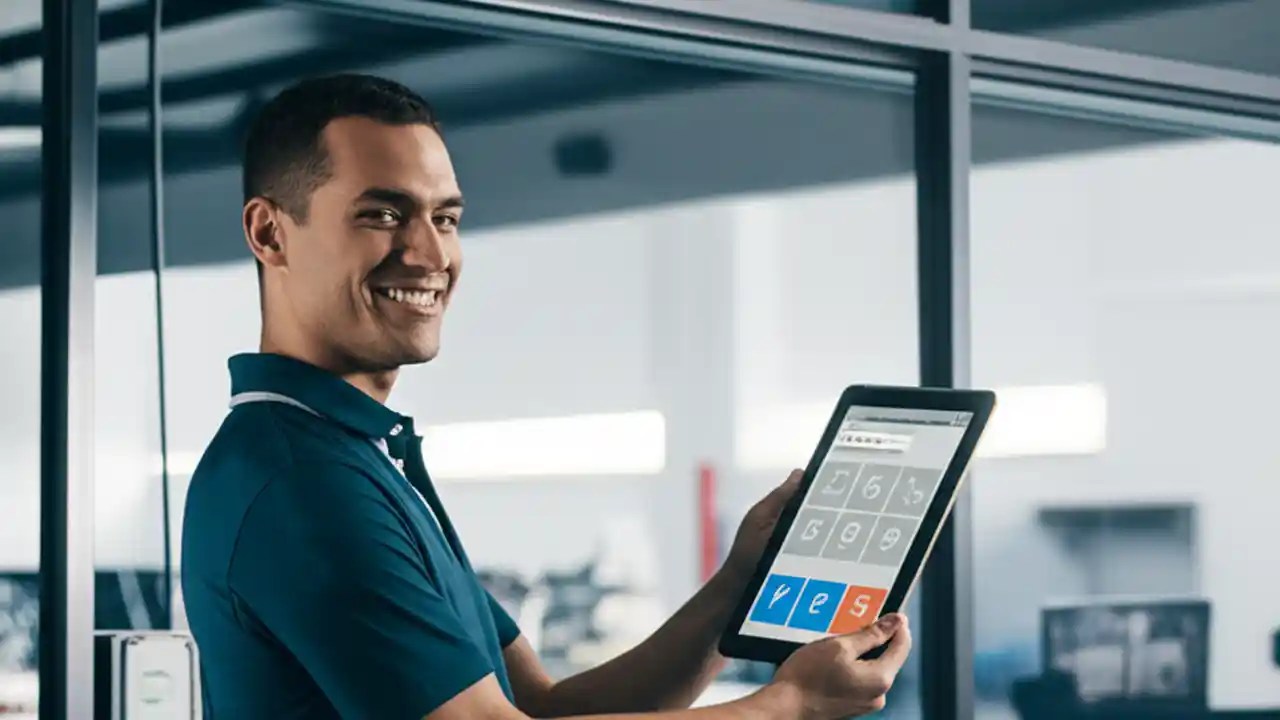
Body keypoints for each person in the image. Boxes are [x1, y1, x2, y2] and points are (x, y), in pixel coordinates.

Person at [180, 73, 912, 720]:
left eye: (445, 218)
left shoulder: (359, 457)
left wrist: (738, 584)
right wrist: (785, 706)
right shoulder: (300, 481)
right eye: (382, 214)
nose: (432, 256)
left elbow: (546, 706)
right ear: (270, 233)